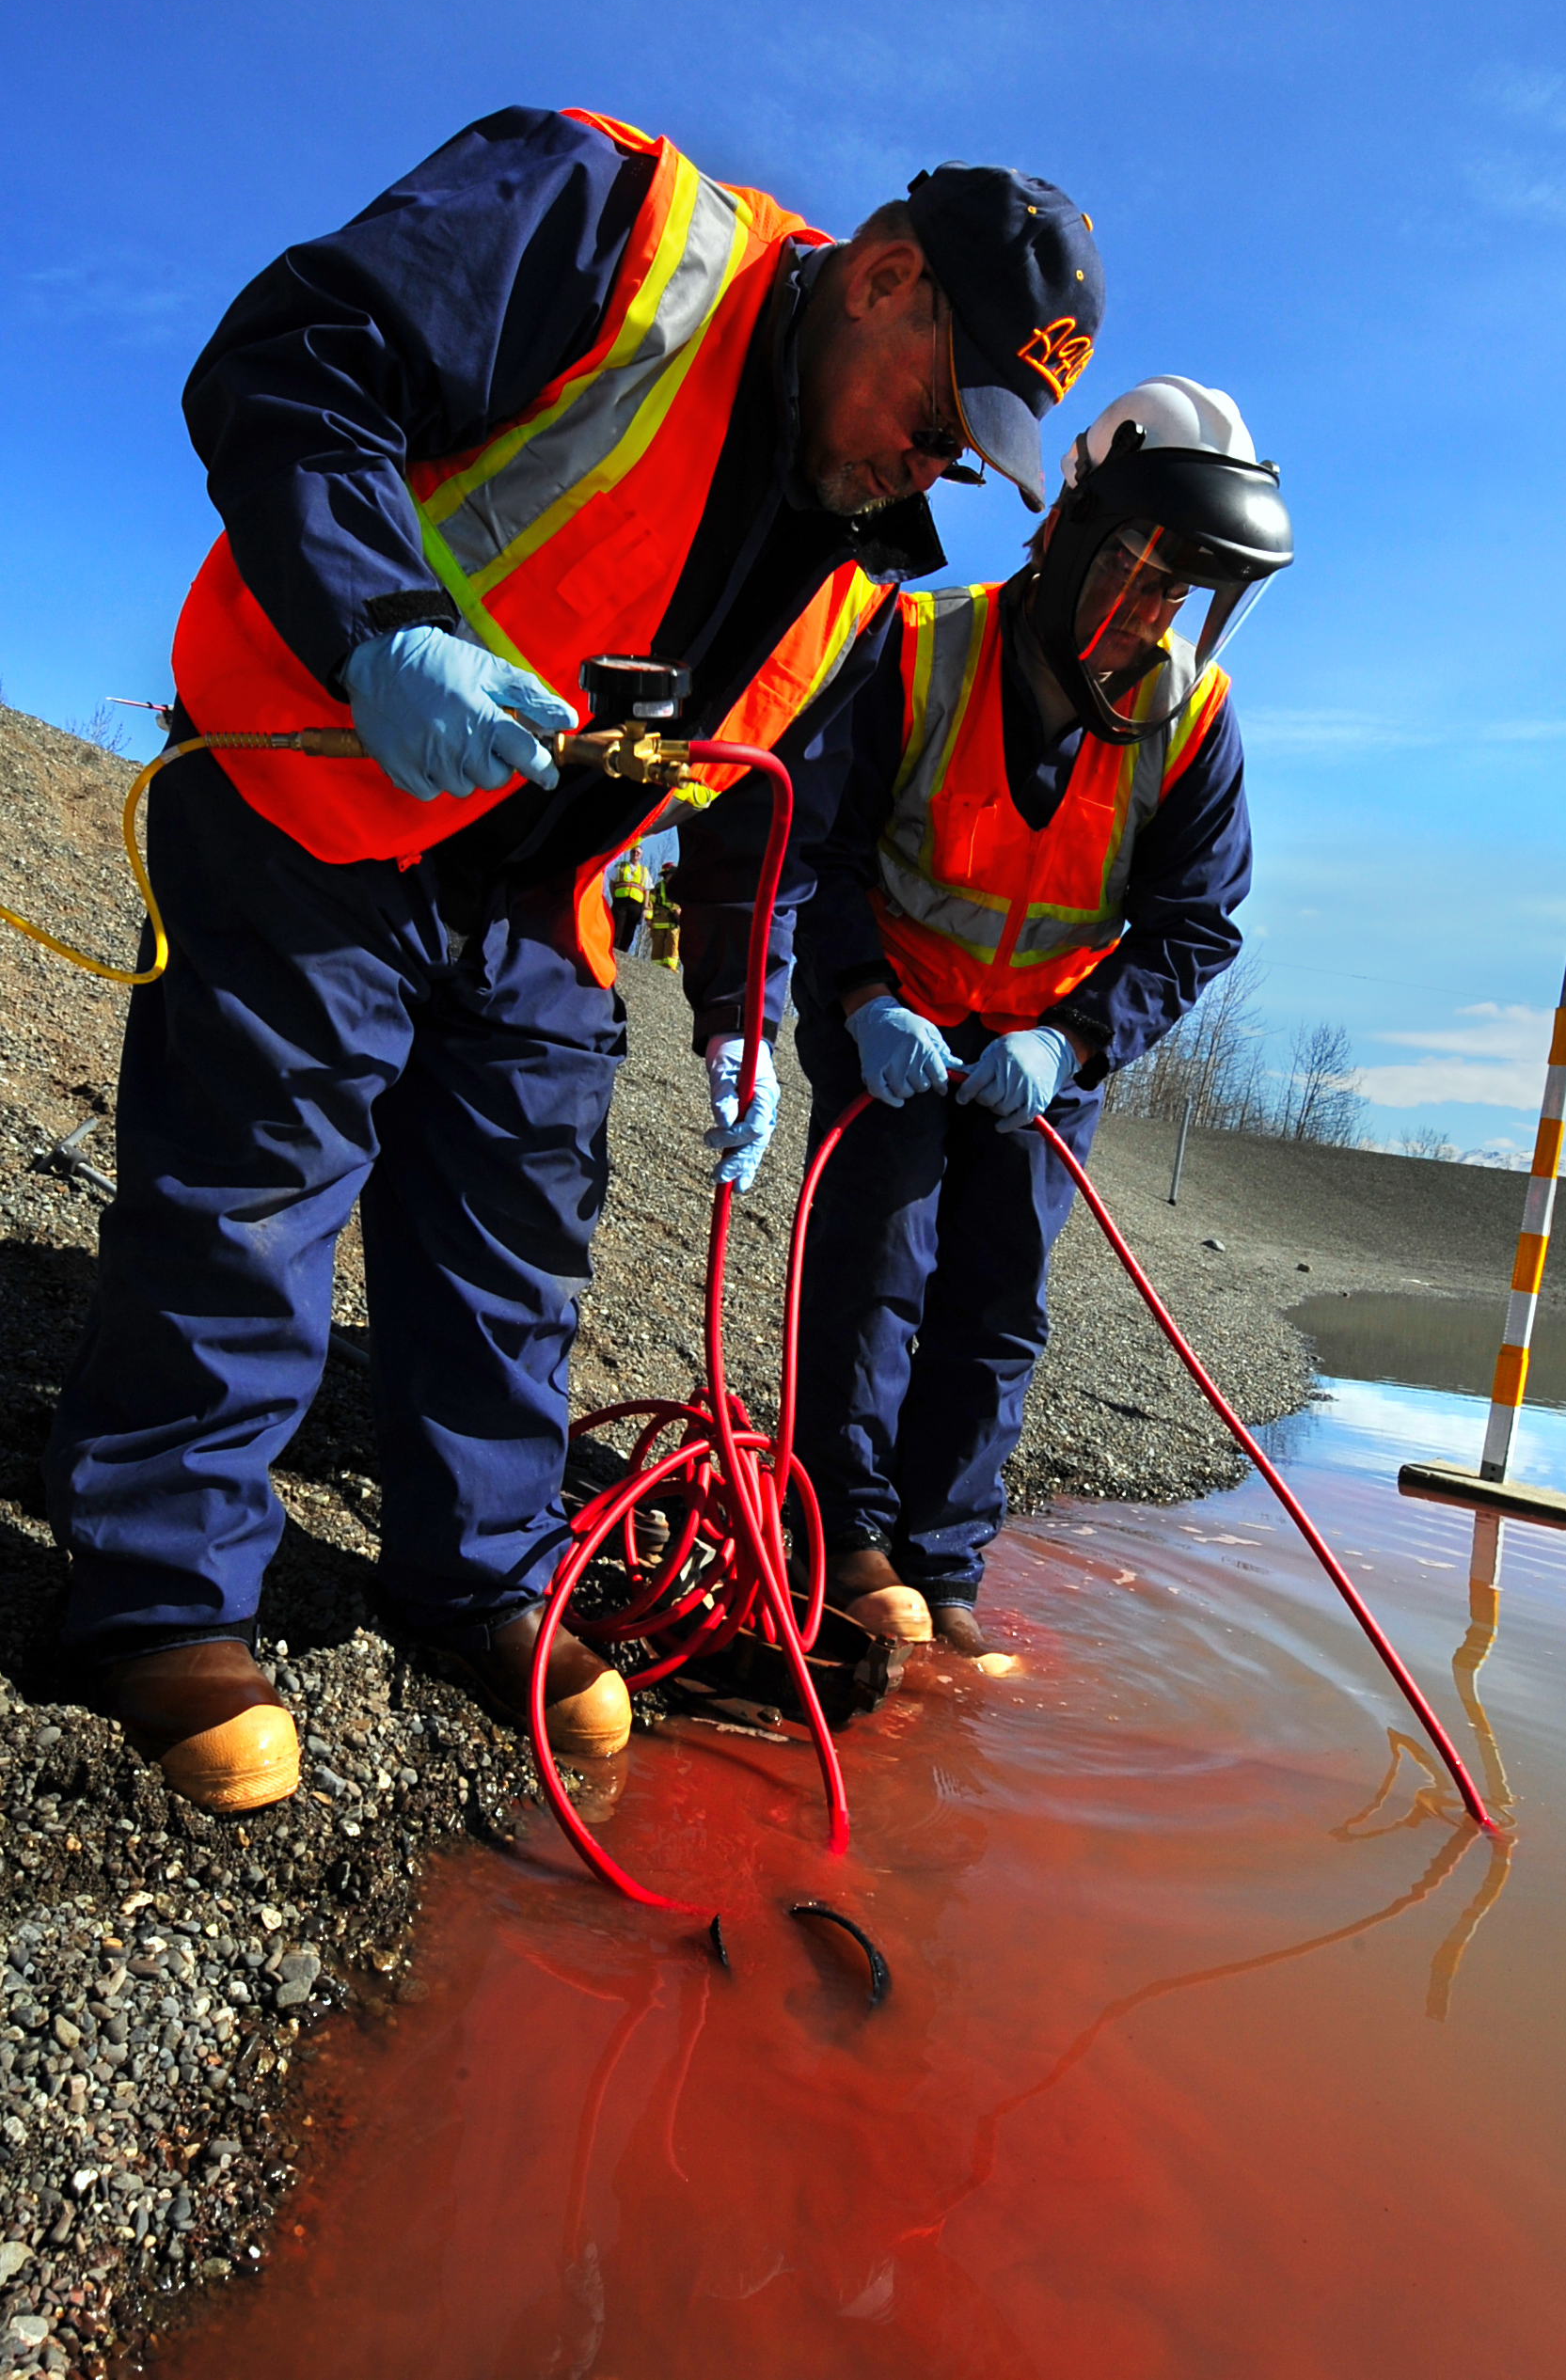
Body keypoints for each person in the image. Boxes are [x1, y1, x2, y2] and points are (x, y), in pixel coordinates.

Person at [43, 104, 1104, 1809]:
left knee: (516, 1251)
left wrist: (740, 1019)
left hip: (542, 898)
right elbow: (294, 360)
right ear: (884, 280)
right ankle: (162, 1600)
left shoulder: (855, 553)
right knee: (249, 1205)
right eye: (936, 419)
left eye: (965, 457)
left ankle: (479, 1582)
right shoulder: (616, 228)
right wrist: (386, 631)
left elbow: (755, 797)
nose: (933, 470)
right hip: (323, 782)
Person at [789, 378, 1291, 1663]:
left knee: (997, 1300)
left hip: (1042, 1052)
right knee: (873, 1271)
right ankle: (845, 1539)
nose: (1143, 613)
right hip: (892, 1014)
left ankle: (942, 1563)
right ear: (1067, 530)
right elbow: (820, 849)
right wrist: (864, 998)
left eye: (1174, 590)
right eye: (1128, 570)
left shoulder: (1193, 719)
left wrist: (1070, 1042)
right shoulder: (916, 645)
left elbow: (1193, 925)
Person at [609, 849, 651, 954]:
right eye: (633, 851)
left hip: (636, 904)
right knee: (617, 927)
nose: (635, 854)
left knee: (630, 930)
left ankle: (623, 953)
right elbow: (611, 882)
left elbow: (647, 890)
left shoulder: (644, 871)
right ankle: (612, 950)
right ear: (630, 853)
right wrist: (614, 897)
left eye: (638, 853)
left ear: (641, 855)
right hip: (620, 902)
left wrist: (645, 907)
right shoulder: (620, 866)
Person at [647, 865, 681, 970]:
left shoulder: (680, 888)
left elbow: (686, 903)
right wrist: (649, 918)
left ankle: (671, 968)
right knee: (657, 944)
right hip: (659, 920)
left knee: (672, 943)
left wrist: (680, 911)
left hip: (673, 921)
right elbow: (650, 902)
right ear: (665, 876)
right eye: (670, 875)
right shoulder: (658, 887)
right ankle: (655, 968)